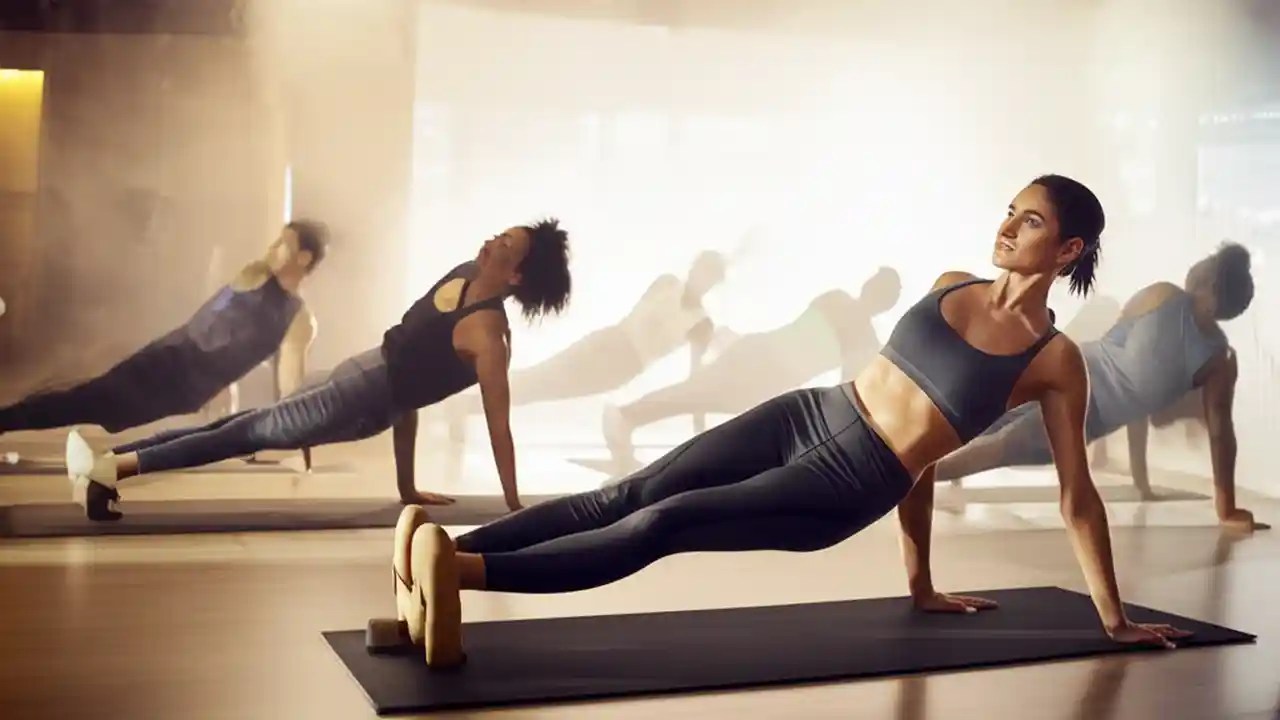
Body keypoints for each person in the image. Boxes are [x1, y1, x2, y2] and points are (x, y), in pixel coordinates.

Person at [386, 175, 1190, 668]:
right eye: (1009, 210)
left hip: (847, 481)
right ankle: (443, 556)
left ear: (1068, 249)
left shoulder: (1054, 360)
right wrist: (920, 586)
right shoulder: (951, 281)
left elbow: (1074, 496)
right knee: (631, 491)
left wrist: (1113, 619)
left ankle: (460, 576)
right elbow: (924, 454)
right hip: (812, 410)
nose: (1007, 227)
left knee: (666, 521)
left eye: (1031, 221)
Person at [65, 219, 573, 521]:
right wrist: (407, 488)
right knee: (235, 427)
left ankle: (109, 469)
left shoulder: (488, 335)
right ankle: (109, 466)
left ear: (516, 275)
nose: (492, 241)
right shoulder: (463, 273)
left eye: (506, 246)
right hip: (362, 372)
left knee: (241, 433)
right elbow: (413, 384)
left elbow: (494, 424)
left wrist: (512, 502)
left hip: (360, 398)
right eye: (499, 234)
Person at [932, 242, 1263, 531]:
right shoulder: (1165, 298)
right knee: (973, 425)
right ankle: (904, 468)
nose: (1197, 266)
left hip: (1081, 416)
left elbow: (1219, 433)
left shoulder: (1216, 359)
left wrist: (1226, 509)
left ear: (1211, 286)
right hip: (1057, 373)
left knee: (996, 448)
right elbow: (1124, 366)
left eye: (1207, 263)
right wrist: (1145, 480)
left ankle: (903, 477)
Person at [0, 220, 327, 440]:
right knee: (88, 397)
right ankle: (8, 418)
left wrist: (299, 438)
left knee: (90, 400)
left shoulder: (298, 319)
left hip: (180, 384)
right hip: (168, 359)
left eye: (283, 244)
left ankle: (9, 417)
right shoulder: (256, 275)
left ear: (303, 257)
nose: (272, 247)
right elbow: (215, 322)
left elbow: (290, 386)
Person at [602, 268, 902, 471]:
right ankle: (625, 417)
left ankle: (629, 420)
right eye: (877, 287)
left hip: (764, 369)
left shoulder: (846, 312)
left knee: (699, 398)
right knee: (696, 395)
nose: (872, 291)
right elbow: (846, 377)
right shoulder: (848, 316)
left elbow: (846, 377)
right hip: (760, 363)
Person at [443, 250, 726, 438]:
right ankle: (462, 401)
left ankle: (466, 406)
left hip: (624, 367)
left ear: (714, 283)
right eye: (699, 270)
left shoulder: (701, 325)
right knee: (540, 376)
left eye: (708, 277)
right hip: (609, 341)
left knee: (543, 389)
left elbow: (694, 380)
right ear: (693, 267)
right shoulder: (667, 283)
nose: (700, 278)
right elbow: (638, 317)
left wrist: (699, 430)